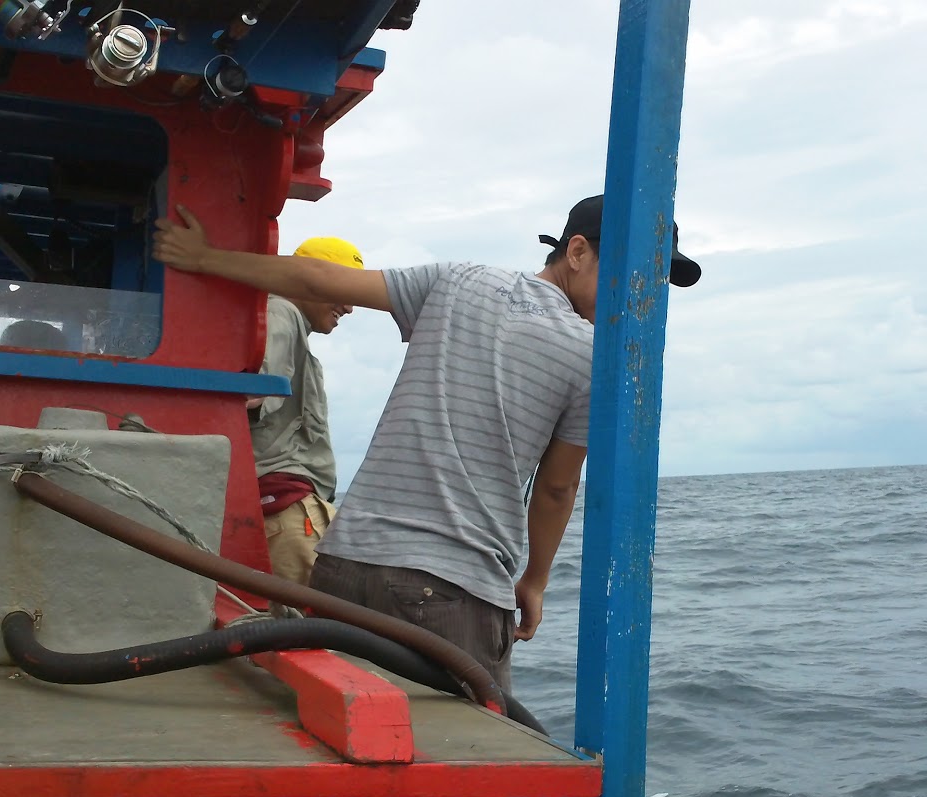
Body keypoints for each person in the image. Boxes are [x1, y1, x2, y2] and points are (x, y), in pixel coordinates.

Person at [153, 195, 700, 691]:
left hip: (344, 567)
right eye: (632, 277)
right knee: (473, 758)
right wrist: (534, 580)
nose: (640, 298)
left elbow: (319, 280)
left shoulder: (460, 279)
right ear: (577, 252)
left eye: (652, 286)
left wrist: (205, 258)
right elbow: (556, 489)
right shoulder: (594, 357)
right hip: (450, 592)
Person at [249, 236, 363, 587]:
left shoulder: (282, 320)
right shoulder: (281, 314)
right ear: (309, 279)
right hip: (288, 511)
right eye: (343, 290)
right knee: (328, 629)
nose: (349, 307)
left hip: (284, 508)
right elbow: (253, 394)